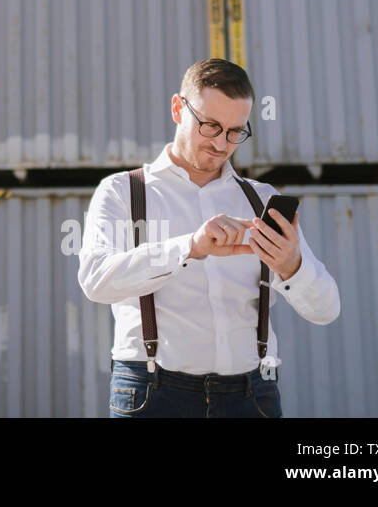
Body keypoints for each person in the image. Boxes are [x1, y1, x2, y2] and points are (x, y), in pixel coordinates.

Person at [78, 58, 340, 418]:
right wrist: (190, 247)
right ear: (177, 108)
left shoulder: (261, 200)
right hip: (151, 395)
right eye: (210, 126)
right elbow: (96, 282)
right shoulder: (122, 192)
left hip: (250, 397)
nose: (222, 144)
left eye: (235, 131)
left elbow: (327, 310)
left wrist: (292, 266)